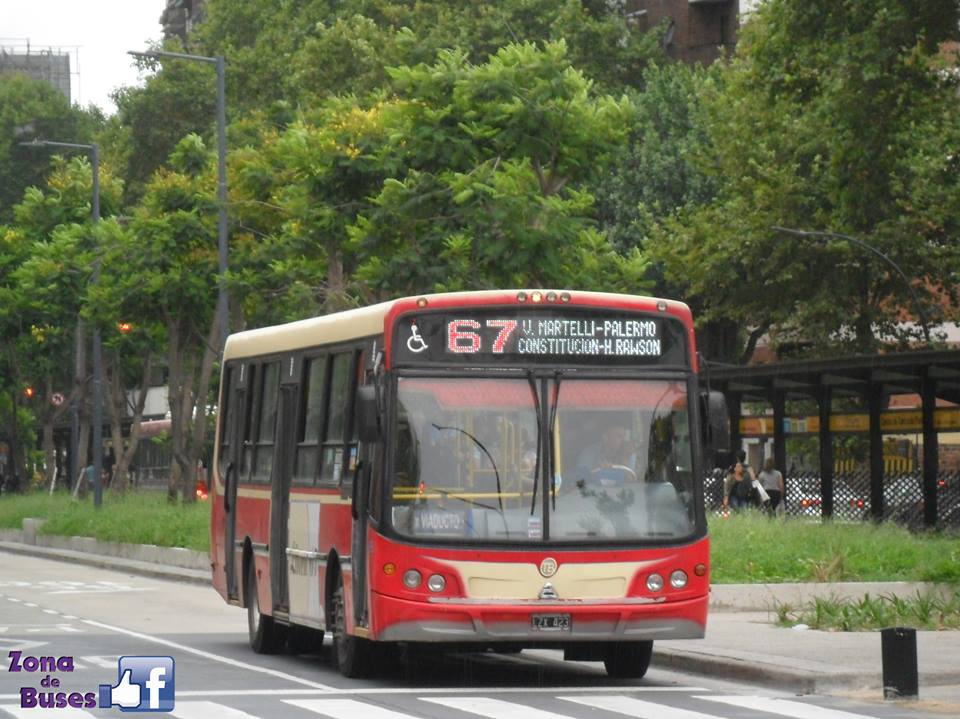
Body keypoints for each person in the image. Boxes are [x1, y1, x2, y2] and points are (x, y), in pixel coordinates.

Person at [575, 420, 636, 486]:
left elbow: (631, 483)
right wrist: (598, 469)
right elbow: (579, 483)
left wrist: (624, 461)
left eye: (624, 436)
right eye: (619, 436)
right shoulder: (589, 453)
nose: (624, 441)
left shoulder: (628, 454)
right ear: (605, 438)